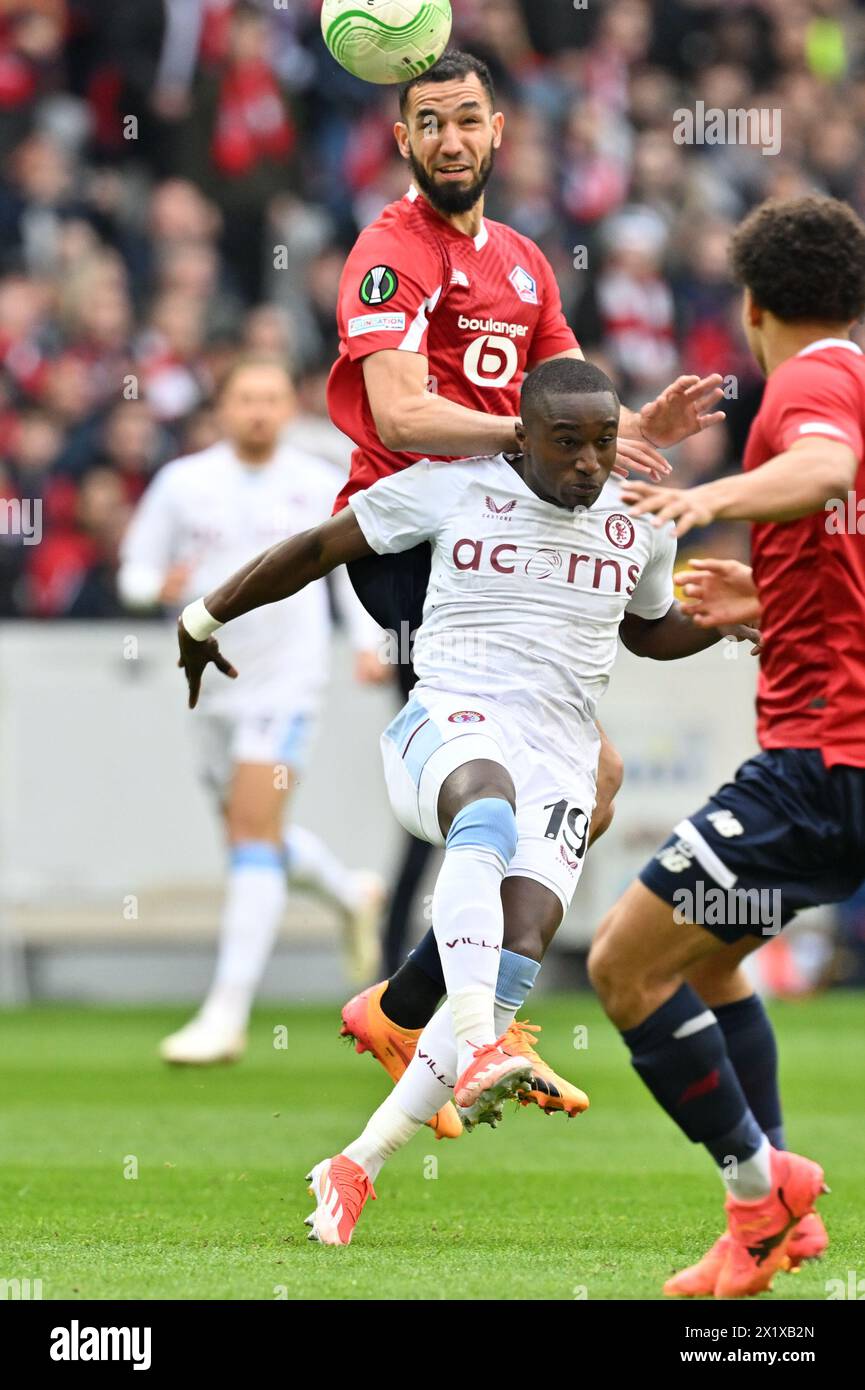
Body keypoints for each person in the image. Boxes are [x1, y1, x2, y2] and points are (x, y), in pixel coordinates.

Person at [174, 356, 757, 1245]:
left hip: (561, 756)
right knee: (483, 810)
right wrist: (203, 619)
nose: (590, 463)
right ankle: (485, 1042)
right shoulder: (452, 489)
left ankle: (355, 1164)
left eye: (604, 441)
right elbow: (314, 549)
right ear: (521, 435)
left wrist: (729, 620)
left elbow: (646, 632)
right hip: (446, 720)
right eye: (567, 443)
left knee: (517, 941)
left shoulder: (637, 521)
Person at [326, 49, 727, 1124]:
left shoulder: (522, 263)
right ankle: (462, 1020)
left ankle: (419, 1006)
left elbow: (572, 398)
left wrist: (632, 430)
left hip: (507, 529)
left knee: (586, 787)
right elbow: (403, 417)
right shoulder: (388, 252)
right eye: (431, 125)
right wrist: (523, 432)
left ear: (499, 130)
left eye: (468, 121)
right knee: (514, 783)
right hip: (417, 542)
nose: (452, 141)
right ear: (403, 140)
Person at [586, 193, 865, 1299]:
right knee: (708, 956)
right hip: (840, 764)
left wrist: (705, 500)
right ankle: (777, 1217)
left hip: (817, 767)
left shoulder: (810, 382)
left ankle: (757, 1198)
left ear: (751, 306)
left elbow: (825, 473)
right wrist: (771, 604)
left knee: (620, 967)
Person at [119, 354, 386, 1065]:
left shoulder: (316, 479)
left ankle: (226, 1013)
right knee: (250, 837)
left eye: (272, 398)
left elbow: (346, 568)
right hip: (208, 688)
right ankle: (348, 890)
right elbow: (135, 567)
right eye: (246, 398)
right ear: (224, 407)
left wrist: (368, 641)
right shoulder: (183, 483)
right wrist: (154, 589)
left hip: (287, 684)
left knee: (252, 832)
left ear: (287, 406)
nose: (260, 411)